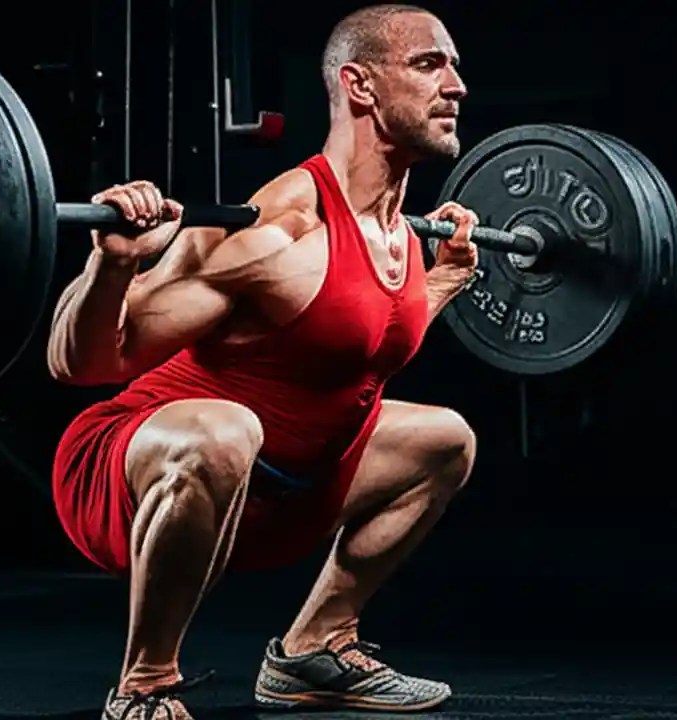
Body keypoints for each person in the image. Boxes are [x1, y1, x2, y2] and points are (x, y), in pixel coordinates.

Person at [48, 4, 479, 718]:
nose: (457, 85)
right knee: (227, 430)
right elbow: (83, 365)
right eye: (430, 64)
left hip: (278, 487)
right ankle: (144, 685)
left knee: (444, 440)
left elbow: (359, 344)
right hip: (137, 476)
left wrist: (439, 283)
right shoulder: (275, 234)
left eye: (455, 66)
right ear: (360, 86)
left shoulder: (397, 232)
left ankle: (315, 650)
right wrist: (111, 269)